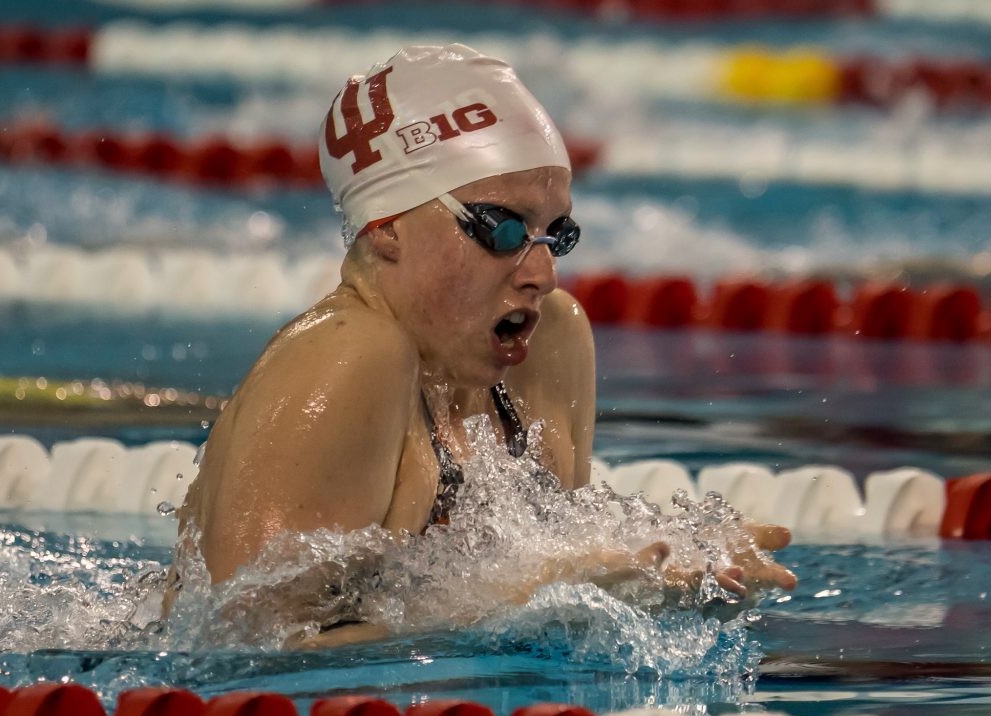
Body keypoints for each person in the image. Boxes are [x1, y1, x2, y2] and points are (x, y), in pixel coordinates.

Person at [169, 44, 795, 646]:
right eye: (501, 230)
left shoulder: (549, 343)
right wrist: (530, 604)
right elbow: (242, 650)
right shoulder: (348, 356)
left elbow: (556, 574)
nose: (542, 273)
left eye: (558, 234)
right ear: (386, 229)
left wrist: (671, 570)